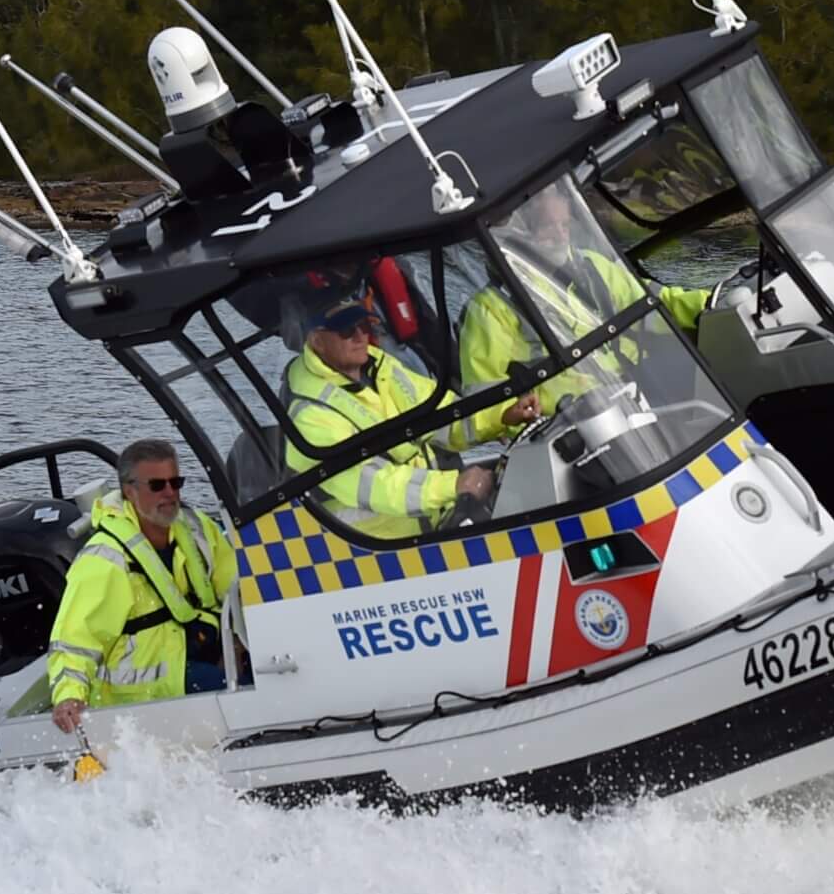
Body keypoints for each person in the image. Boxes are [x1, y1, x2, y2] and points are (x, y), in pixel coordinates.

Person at [284, 288, 538, 539]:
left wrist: (502, 417)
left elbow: (442, 416)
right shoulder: (310, 415)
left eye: (364, 325)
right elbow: (375, 483)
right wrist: (454, 486)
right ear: (317, 341)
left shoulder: (379, 366)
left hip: (433, 526)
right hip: (373, 555)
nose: (361, 337)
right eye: (347, 330)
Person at [458, 179, 709, 410]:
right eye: (548, 226)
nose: (560, 235)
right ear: (522, 235)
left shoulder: (593, 266)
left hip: (639, 385)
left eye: (565, 224)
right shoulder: (491, 308)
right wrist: (516, 416)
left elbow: (656, 304)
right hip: (574, 417)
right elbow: (486, 398)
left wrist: (709, 304)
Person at [48, 439, 241, 733]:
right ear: (129, 491)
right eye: (157, 486)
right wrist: (69, 696)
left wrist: (241, 644)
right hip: (148, 689)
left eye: (176, 482)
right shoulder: (104, 558)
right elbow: (75, 638)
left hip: (207, 653)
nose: (170, 493)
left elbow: (238, 590)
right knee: (235, 689)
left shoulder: (197, 528)